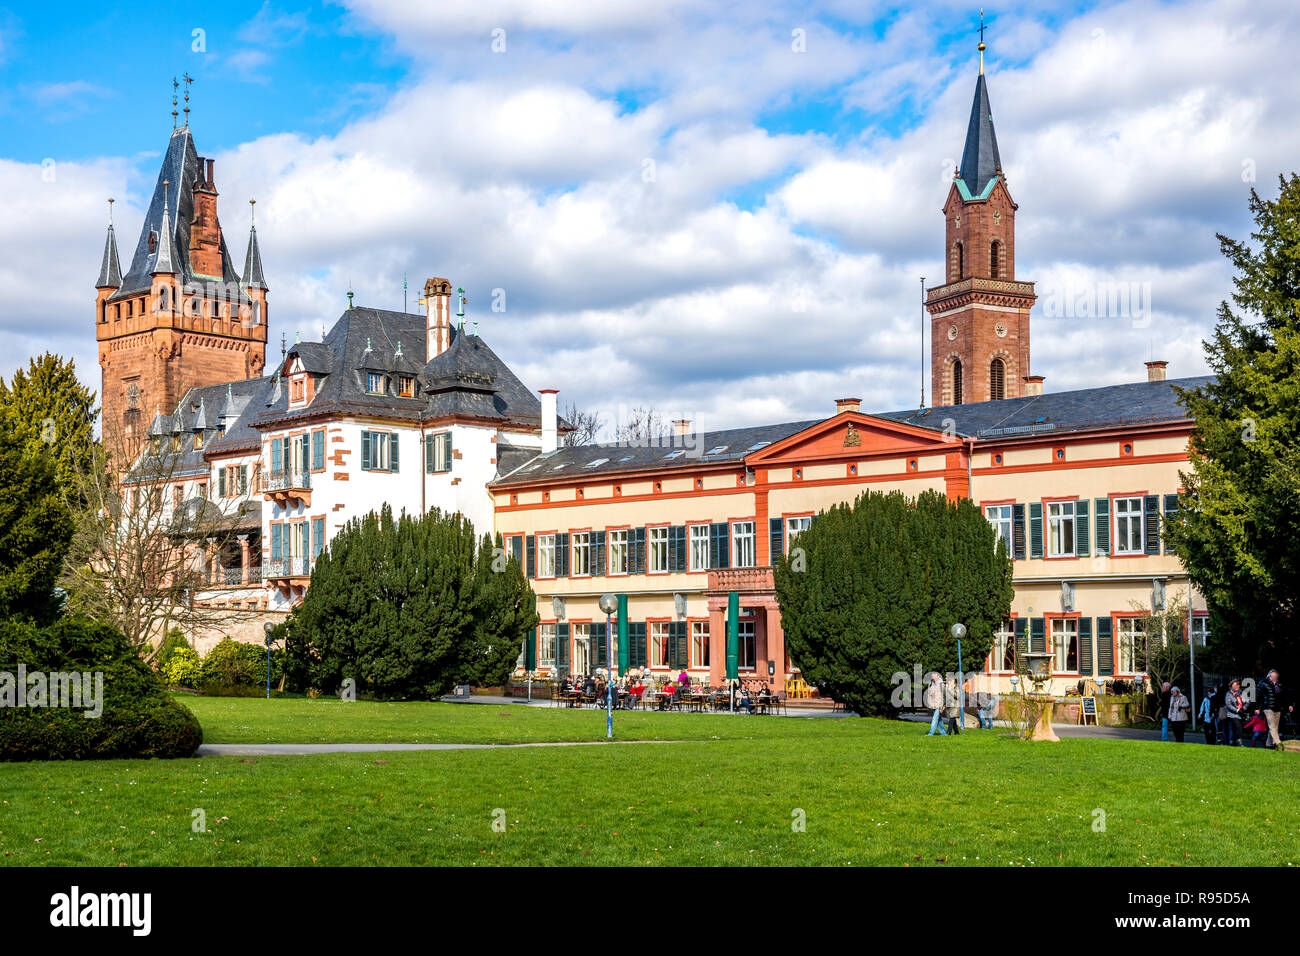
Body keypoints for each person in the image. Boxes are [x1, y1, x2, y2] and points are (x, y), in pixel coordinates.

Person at [1256, 669, 1292, 751]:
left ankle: (1269, 744)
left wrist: (1289, 705)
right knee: (1272, 725)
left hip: (1278, 707)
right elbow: (1257, 696)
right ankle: (1278, 743)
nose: (1276, 678)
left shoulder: (1279, 684)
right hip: (1267, 707)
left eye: (1276, 676)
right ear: (1270, 676)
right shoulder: (1263, 683)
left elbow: (1284, 695)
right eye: (1274, 676)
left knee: (1275, 727)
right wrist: (1257, 707)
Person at [1222, 679, 1245, 746]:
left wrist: (1243, 708)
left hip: (1241, 714)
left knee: (1235, 729)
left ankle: (1233, 743)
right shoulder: (1229, 694)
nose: (1236, 686)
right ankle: (1239, 742)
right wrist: (1237, 710)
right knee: (1238, 727)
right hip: (1232, 715)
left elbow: (1247, 701)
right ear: (1231, 686)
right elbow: (1228, 705)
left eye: (1237, 685)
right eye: (1234, 685)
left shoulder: (1242, 693)